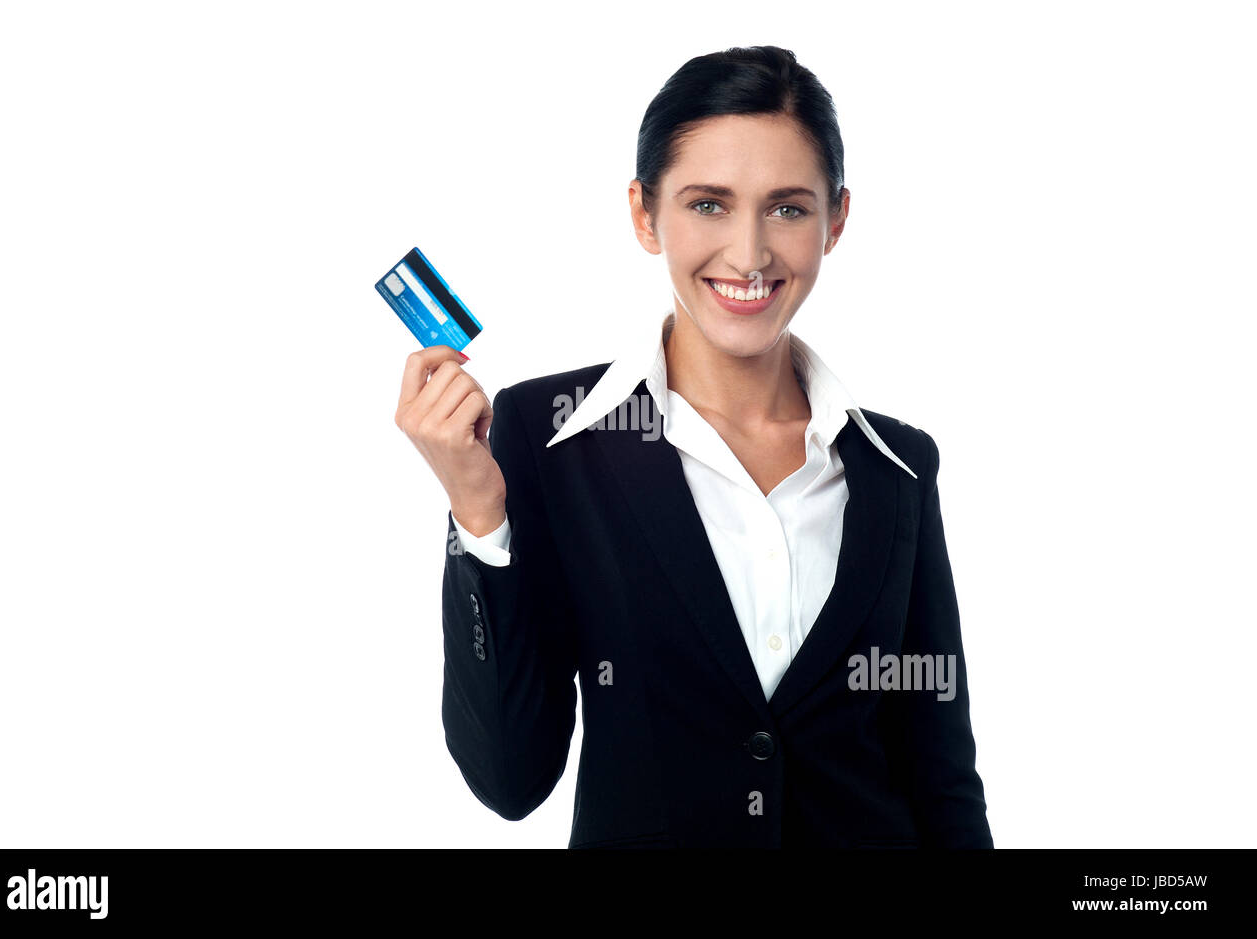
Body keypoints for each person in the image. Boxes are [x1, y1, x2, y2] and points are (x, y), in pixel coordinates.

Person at [396, 45, 993, 848]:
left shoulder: (899, 466)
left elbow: (941, 777)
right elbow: (511, 778)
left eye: (787, 207)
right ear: (645, 214)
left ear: (836, 219)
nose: (748, 255)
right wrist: (477, 512)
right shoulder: (550, 435)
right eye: (708, 204)